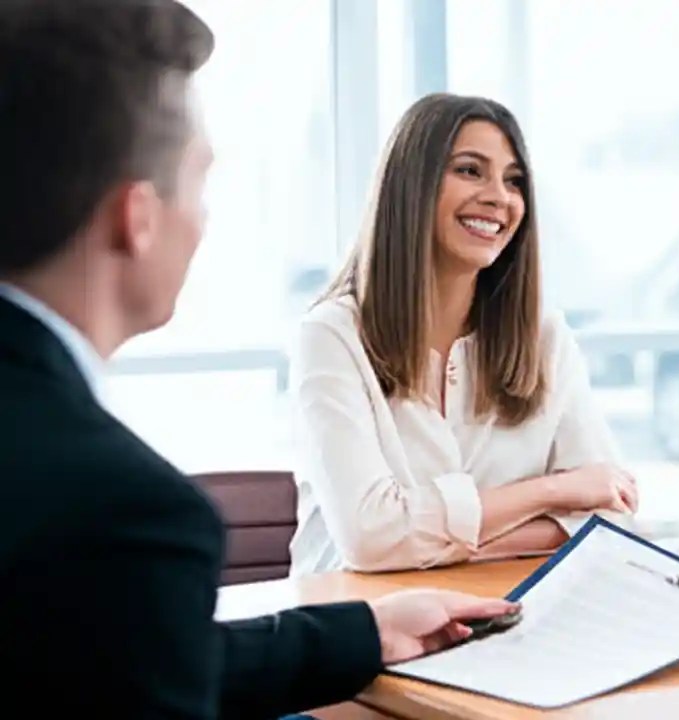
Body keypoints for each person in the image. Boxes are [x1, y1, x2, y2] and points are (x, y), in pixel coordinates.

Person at [0, 2, 518, 718]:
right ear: (137, 219)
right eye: (200, 182)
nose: (205, 220)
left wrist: (364, 634)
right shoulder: (119, 515)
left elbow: (111, 658)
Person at [290, 92, 639, 574]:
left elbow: (610, 512)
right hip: (358, 627)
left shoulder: (544, 336)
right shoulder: (331, 337)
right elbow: (370, 539)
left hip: (499, 616)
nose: (500, 196)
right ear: (411, 186)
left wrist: (435, 538)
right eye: (470, 170)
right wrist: (551, 493)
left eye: (514, 181)